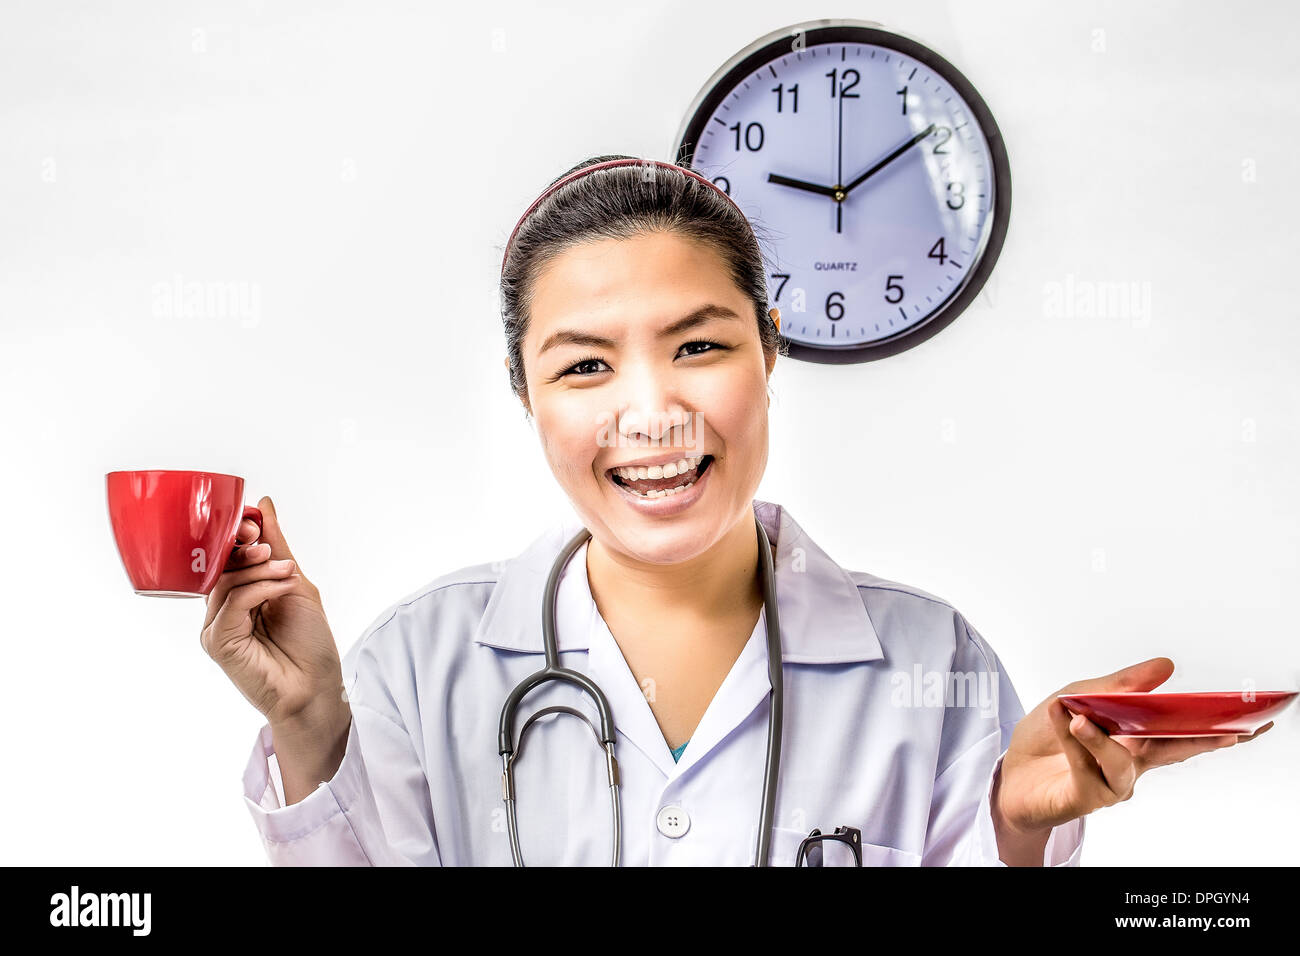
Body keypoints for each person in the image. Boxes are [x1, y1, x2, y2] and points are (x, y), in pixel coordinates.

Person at [201, 154, 1272, 866]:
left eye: (699, 345)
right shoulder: (414, 663)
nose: (652, 411)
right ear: (526, 395)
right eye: (583, 366)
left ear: (770, 348)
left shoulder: (931, 663)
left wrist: (1009, 830)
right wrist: (304, 721)